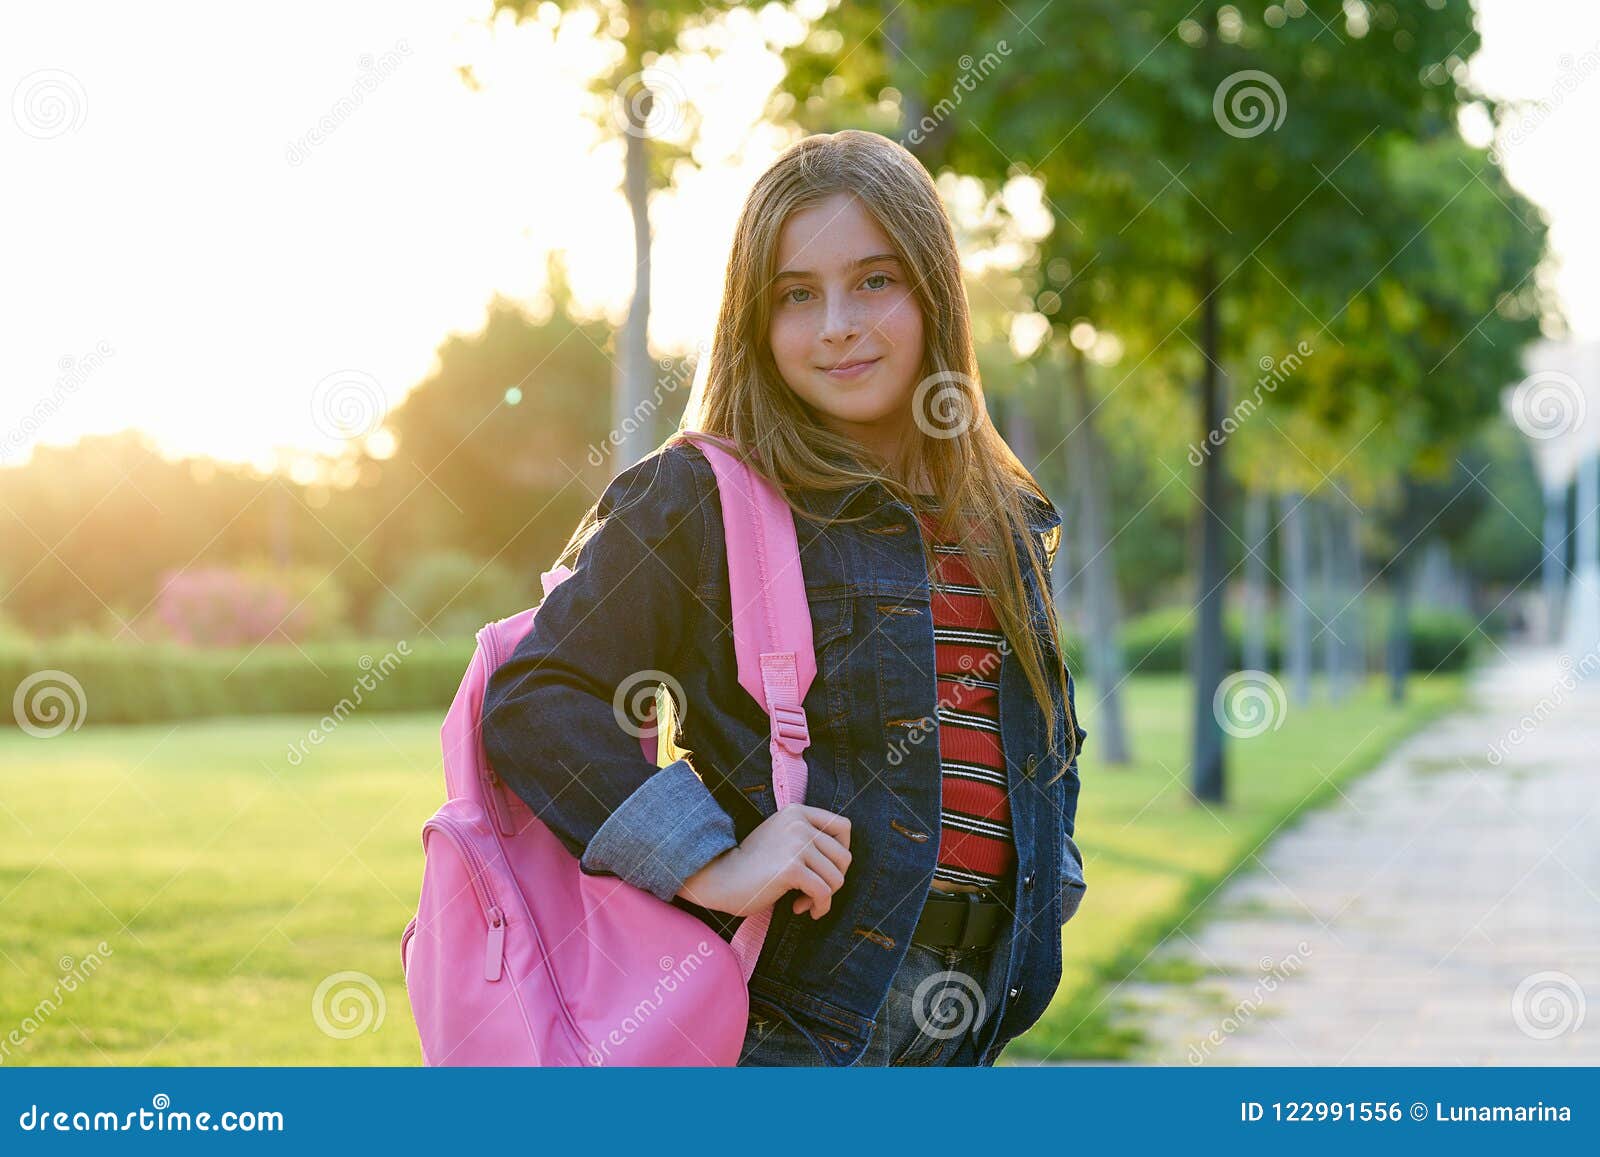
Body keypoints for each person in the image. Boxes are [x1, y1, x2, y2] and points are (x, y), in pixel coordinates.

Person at [481, 129, 1088, 1067]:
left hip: (968, 1020)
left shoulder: (1003, 518)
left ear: (935, 294)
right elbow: (535, 700)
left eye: (875, 281)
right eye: (796, 296)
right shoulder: (703, 496)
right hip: (790, 1023)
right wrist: (709, 861)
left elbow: (1036, 735)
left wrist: (1051, 874)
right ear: (754, 324)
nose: (838, 322)